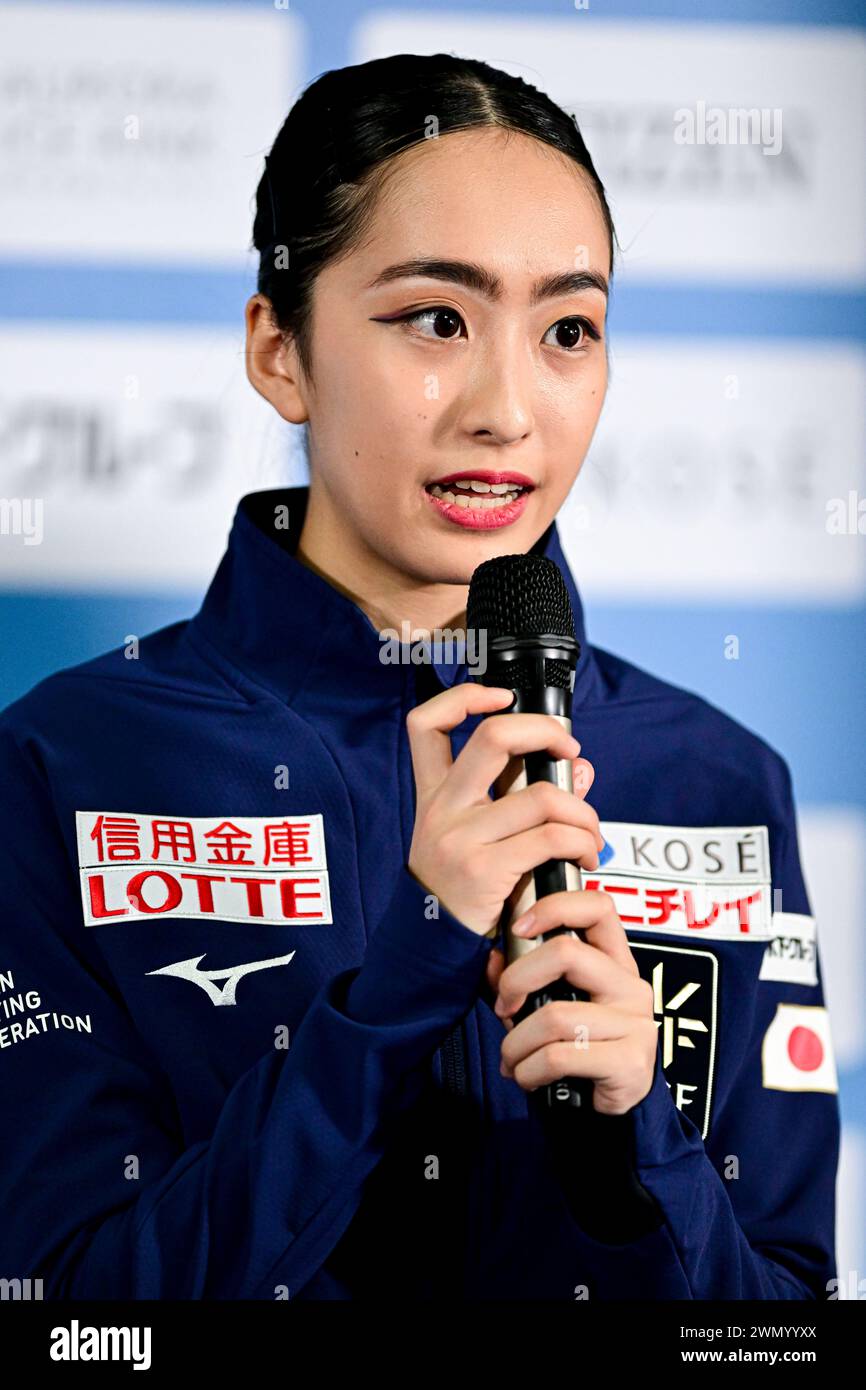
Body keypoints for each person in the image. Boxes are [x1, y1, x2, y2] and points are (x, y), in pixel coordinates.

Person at [0, 53, 839, 1301]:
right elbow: (77, 1315)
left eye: (567, 330)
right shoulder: (64, 762)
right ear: (280, 349)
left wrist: (638, 1145)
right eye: (437, 320)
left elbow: (776, 1324)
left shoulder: (716, 776)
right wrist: (396, 990)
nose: (506, 410)